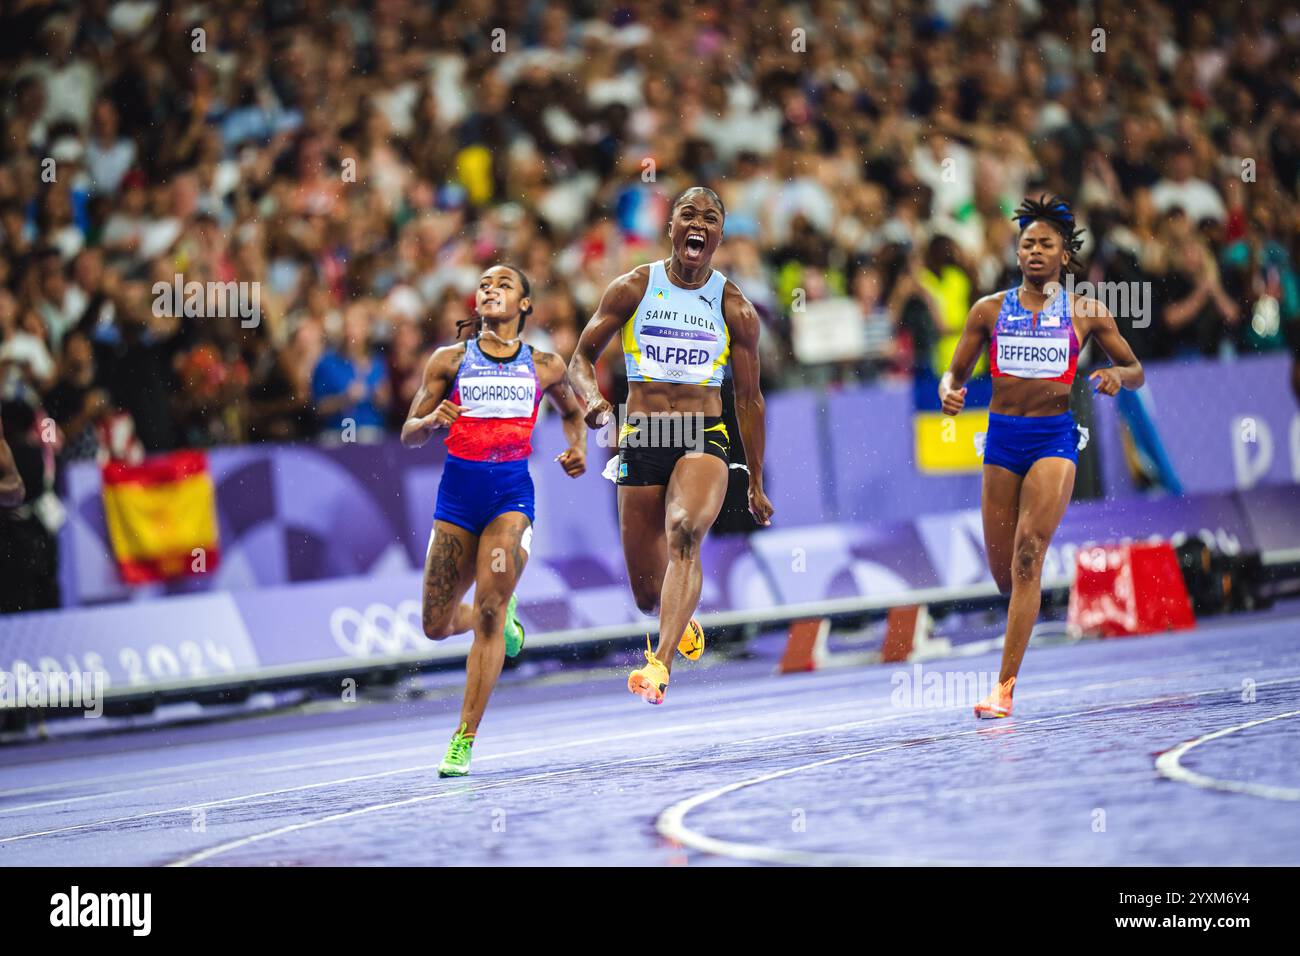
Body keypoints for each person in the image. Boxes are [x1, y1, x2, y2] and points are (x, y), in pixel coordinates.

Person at [939, 196, 1144, 718]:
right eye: (1027, 242)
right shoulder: (988, 311)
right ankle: (1025, 604)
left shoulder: (1086, 312)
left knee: (1029, 553)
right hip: (1003, 443)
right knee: (1006, 575)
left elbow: (1136, 368)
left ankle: (1003, 688)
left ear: (1064, 257)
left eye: (1045, 244)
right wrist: (950, 392)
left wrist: (1118, 376)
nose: (1034, 250)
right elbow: (955, 374)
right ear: (1017, 250)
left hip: (1054, 440)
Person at [569, 186, 773, 706]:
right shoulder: (634, 287)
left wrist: (755, 479)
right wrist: (595, 405)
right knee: (645, 594)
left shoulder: (736, 309)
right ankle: (679, 619)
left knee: (684, 530)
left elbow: (749, 401)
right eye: (688, 214)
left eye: (710, 217)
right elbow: (579, 361)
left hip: (704, 433)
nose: (697, 223)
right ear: (673, 227)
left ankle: (657, 665)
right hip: (643, 434)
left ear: (719, 235)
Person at [401, 265, 587, 776]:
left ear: (525, 305)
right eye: (484, 284)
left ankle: (463, 739)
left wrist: (577, 449)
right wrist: (429, 422)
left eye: (503, 285)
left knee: (486, 607)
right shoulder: (449, 360)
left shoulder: (545, 365)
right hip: (457, 502)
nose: (490, 289)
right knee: (436, 624)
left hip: (509, 498)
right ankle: (504, 622)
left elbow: (572, 412)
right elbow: (407, 434)